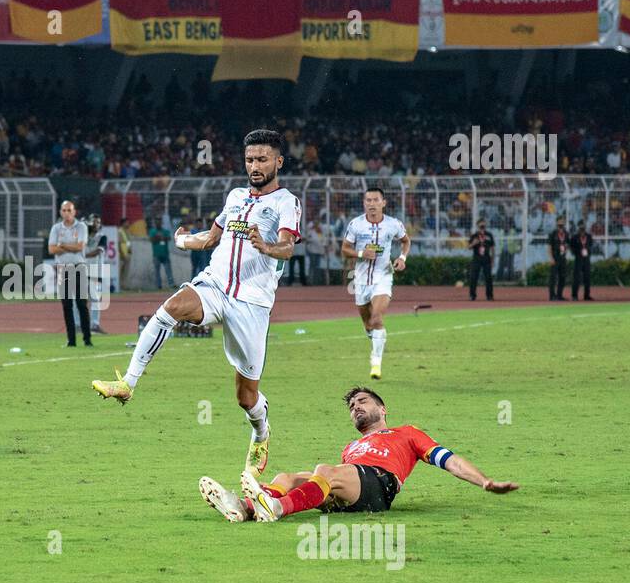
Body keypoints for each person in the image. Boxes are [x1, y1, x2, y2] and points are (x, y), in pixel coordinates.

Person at [93, 129, 302, 477]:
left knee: (245, 397)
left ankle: (261, 433)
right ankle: (128, 383)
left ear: (278, 161)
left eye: (262, 159)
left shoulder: (286, 202)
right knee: (170, 309)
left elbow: (287, 247)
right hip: (215, 285)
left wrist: (266, 247)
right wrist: (185, 242)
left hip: (251, 303)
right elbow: (213, 237)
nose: (255, 165)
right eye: (250, 159)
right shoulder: (235, 196)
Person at [197, 385, 518, 522]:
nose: (356, 407)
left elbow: (450, 460)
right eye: (352, 406)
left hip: (381, 486)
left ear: (382, 408)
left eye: (362, 401)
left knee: (325, 470)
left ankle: (275, 508)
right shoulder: (351, 448)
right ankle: (246, 508)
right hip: (353, 488)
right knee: (287, 476)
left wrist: (486, 482)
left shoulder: (406, 433)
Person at [342, 187, 409, 380]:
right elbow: (345, 249)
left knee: (377, 318)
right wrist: (362, 253)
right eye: (368, 200)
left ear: (383, 203)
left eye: (375, 200)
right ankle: (376, 340)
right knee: (368, 324)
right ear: (364, 203)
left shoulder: (393, 224)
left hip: (383, 276)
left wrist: (402, 258)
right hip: (361, 279)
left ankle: (376, 363)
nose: (371, 204)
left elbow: (406, 241)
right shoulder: (356, 225)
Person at [48, 199, 91, 348]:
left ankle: (87, 339)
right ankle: (71, 340)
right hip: (63, 269)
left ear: (74, 212)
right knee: (66, 305)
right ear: (60, 212)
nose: (66, 213)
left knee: (81, 304)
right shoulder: (56, 228)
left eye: (69, 210)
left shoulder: (81, 227)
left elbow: (80, 247)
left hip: (79, 267)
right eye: (64, 210)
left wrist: (62, 245)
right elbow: (51, 249)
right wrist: (69, 247)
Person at [81, 214, 108, 334]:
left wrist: (82, 256)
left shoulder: (102, 237)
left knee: (95, 300)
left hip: (95, 271)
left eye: (98, 222)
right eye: (94, 222)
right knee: (80, 299)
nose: (96, 224)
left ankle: (94, 324)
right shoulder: (83, 236)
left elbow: (98, 250)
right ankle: (79, 325)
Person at [468, 218, 494, 301]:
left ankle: (489, 296)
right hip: (477, 258)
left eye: (483, 225)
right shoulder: (474, 236)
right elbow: (469, 247)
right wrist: (473, 243)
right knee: (473, 277)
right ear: (478, 226)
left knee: (488, 278)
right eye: (481, 226)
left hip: (486, 258)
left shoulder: (489, 235)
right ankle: (472, 295)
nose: (482, 227)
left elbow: (492, 248)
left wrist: (493, 260)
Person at [569, 222, 595, 301]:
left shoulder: (589, 236)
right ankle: (574, 296)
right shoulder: (574, 237)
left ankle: (586, 295)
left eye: (583, 227)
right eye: (581, 227)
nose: (582, 229)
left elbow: (590, 245)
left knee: (587, 277)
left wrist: (588, 252)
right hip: (578, 259)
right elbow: (571, 247)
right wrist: (577, 252)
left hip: (586, 259)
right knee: (576, 278)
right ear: (578, 228)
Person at [547, 216, 569, 300]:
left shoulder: (566, 233)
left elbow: (567, 244)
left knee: (562, 277)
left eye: (562, 222)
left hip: (562, 257)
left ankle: (559, 295)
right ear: (556, 223)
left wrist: (565, 253)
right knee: (553, 277)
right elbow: (549, 247)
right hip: (555, 257)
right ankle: (552, 296)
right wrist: (551, 258)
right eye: (559, 222)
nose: (561, 224)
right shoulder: (553, 233)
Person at [149, 221, 175, 290]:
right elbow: (151, 239)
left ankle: (171, 284)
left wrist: (161, 237)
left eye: (159, 221)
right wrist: (158, 237)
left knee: (168, 270)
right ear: (155, 223)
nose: (158, 223)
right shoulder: (152, 231)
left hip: (165, 254)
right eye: (157, 221)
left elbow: (169, 238)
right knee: (157, 271)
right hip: (156, 254)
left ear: (161, 223)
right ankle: (158, 286)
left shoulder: (165, 231)